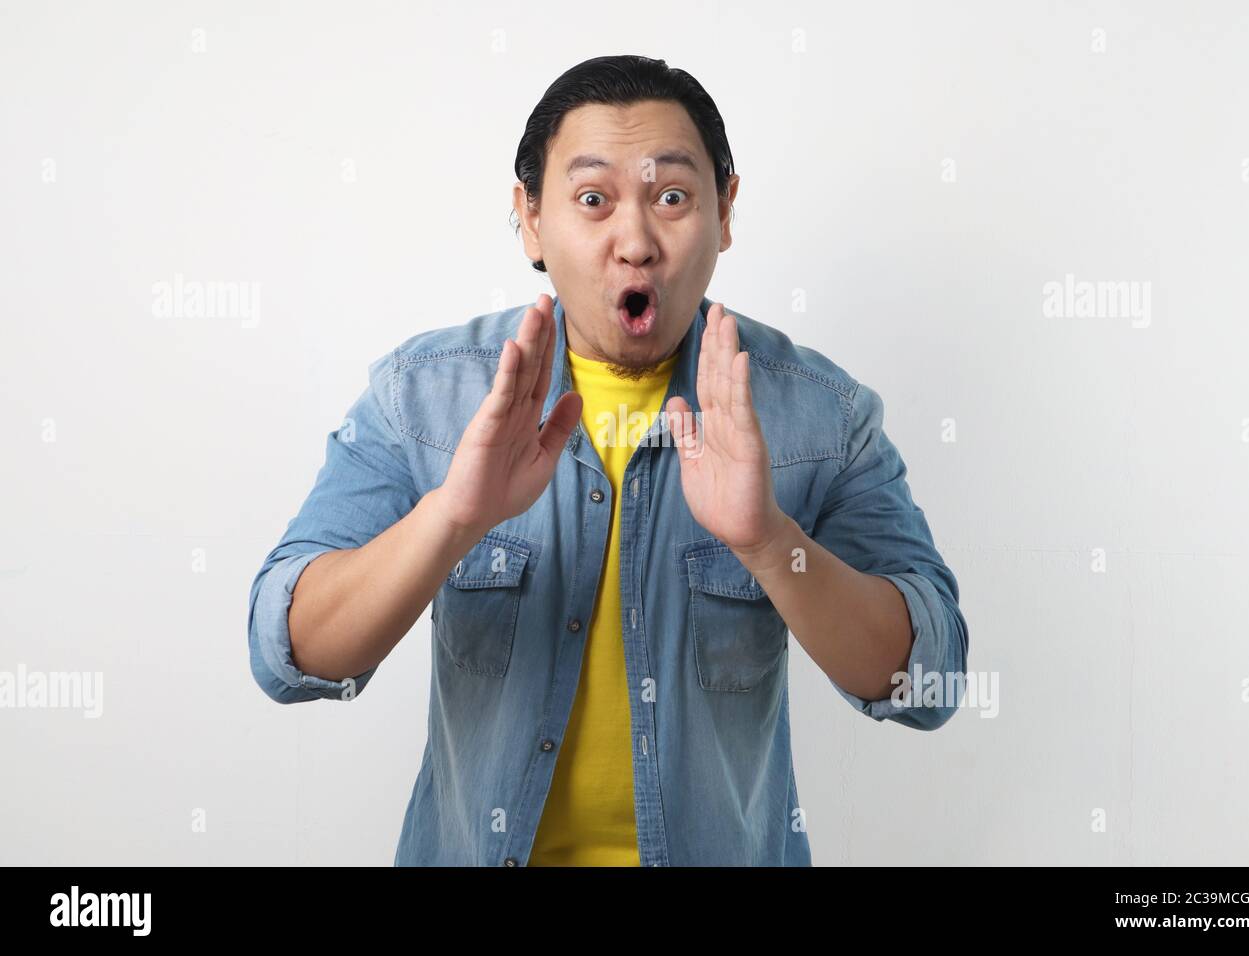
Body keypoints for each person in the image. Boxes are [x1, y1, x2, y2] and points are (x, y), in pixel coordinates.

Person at [247, 54, 969, 866]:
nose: (635, 242)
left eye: (671, 198)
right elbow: (287, 653)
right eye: (592, 200)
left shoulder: (822, 415)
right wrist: (451, 518)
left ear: (725, 212)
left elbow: (926, 682)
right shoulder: (424, 399)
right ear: (529, 218)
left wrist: (770, 543)